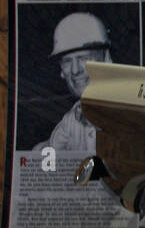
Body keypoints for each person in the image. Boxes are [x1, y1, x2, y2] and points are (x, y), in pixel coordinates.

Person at [40, 12, 112, 152]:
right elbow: (48, 150)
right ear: (61, 71)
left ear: (106, 58)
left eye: (83, 58)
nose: (74, 71)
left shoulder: (128, 113)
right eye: (67, 61)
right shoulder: (72, 119)